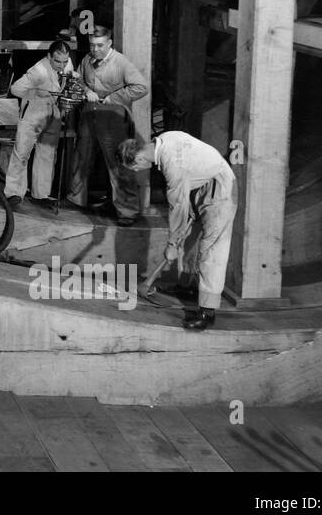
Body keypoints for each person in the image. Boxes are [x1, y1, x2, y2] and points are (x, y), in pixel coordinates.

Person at [119, 133, 236, 331]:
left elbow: (177, 206)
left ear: (139, 158)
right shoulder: (164, 139)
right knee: (190, 239)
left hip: (221, 186)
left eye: (135, 168)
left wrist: (172, 244)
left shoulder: (171, 164)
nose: (138, 170)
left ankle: (208, 312)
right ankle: (188, 287)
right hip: (201, 185)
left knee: (212, 249)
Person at [65, 25, 148, 226]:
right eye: (92, 45)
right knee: (81, 158)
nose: (95, 50)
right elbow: (78, 80)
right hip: (89, 117)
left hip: (113, 119)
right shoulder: (87, 59)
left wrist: (114, 97)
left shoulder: (121, 62)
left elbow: (141, 87)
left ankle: (127, 212)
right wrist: (85, 91)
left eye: (100, 45)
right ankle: (77, 200)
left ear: (109, 43)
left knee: (119, 165)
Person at [4, 40, 76, 206]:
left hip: (54, 112)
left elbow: (67, 77)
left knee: (47, 154)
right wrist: (36, 93)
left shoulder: (67, 64)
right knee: (21, 153)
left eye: (65, 61)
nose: (62, 65)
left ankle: (41, 194)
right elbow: (16, 89)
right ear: (49, 56)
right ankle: (13, 193)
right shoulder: (38, 71)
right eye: (57, 61)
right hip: (33, 112)